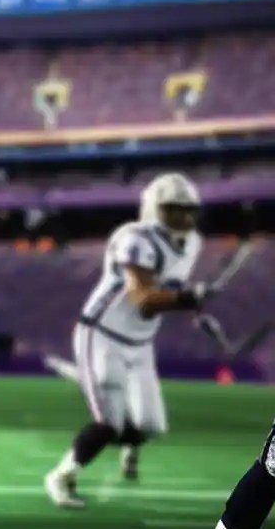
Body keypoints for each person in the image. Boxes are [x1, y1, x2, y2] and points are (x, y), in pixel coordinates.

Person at [44, 172, 210, 508]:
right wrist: (187, 300)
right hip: (102, 335)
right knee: (108, 423)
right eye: (174, 208)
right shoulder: (134, 238)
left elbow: (166, 292)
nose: (184, 216)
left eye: (189, 208)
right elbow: (144, 299)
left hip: (139, 342)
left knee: (150, 425)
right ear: (154, 208)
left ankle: (125, 440)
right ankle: (62, 475)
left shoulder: (192, 243)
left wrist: (189, 302)